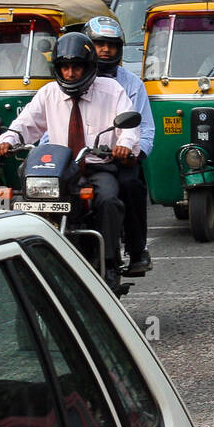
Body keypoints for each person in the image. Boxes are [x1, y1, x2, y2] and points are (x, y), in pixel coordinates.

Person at [0, 33, 141, 286]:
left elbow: (128, 126)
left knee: (108, 200)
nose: (70, 73)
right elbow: (26, 124)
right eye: (65, 67)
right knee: (18, 200)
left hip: (96, 167)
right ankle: (19, 263)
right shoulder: (48, 93)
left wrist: (124, 146)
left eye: (76, 67)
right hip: (56, 171)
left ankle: (109, 263)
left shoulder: (112, 90)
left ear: (89, 67)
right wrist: (8, 140)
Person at [87, 16, 154, 274]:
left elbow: (145, 127)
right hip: (81, 159)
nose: (105, 50)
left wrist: (132, 151)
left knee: (130, 184)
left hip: (118, 158)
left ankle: (137, 249)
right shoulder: (68, 81)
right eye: (99, 44)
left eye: (111, 45)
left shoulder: (130, 84)